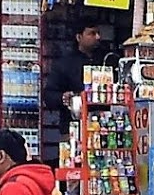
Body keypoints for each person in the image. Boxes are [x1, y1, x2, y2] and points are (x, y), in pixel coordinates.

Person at [43, 22, 110, 162]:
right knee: (74, 173)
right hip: (72, 129)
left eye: (98, 33)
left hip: (105, 128)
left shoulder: (108, 60)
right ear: (79, 37)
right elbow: (49, 95)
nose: (97, 37)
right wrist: (63, 98)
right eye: (91, 33)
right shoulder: (64, 64)